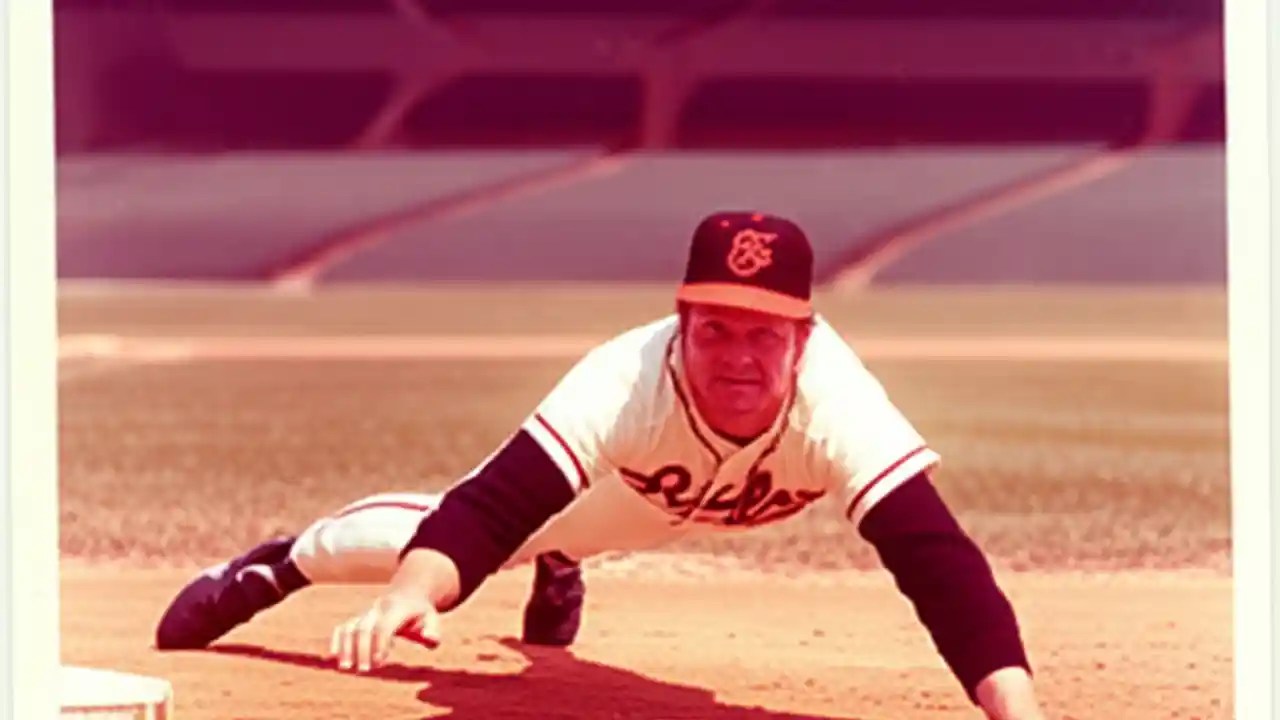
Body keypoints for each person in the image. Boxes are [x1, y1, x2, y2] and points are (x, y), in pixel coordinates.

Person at [155, 211, 1046, 719]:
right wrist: (410, 597)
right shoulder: (626, 381)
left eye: (763, 333)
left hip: (690, 495)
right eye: (716, 328)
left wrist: (1020, 716)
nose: (738, 354)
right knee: (441, 549)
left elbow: (936, 561)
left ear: (803, 335)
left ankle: (562, 563)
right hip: (625, 487)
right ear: (681, 318)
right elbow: (488, 505)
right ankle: (280, 564)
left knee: (541, 539)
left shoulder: (838, 399)